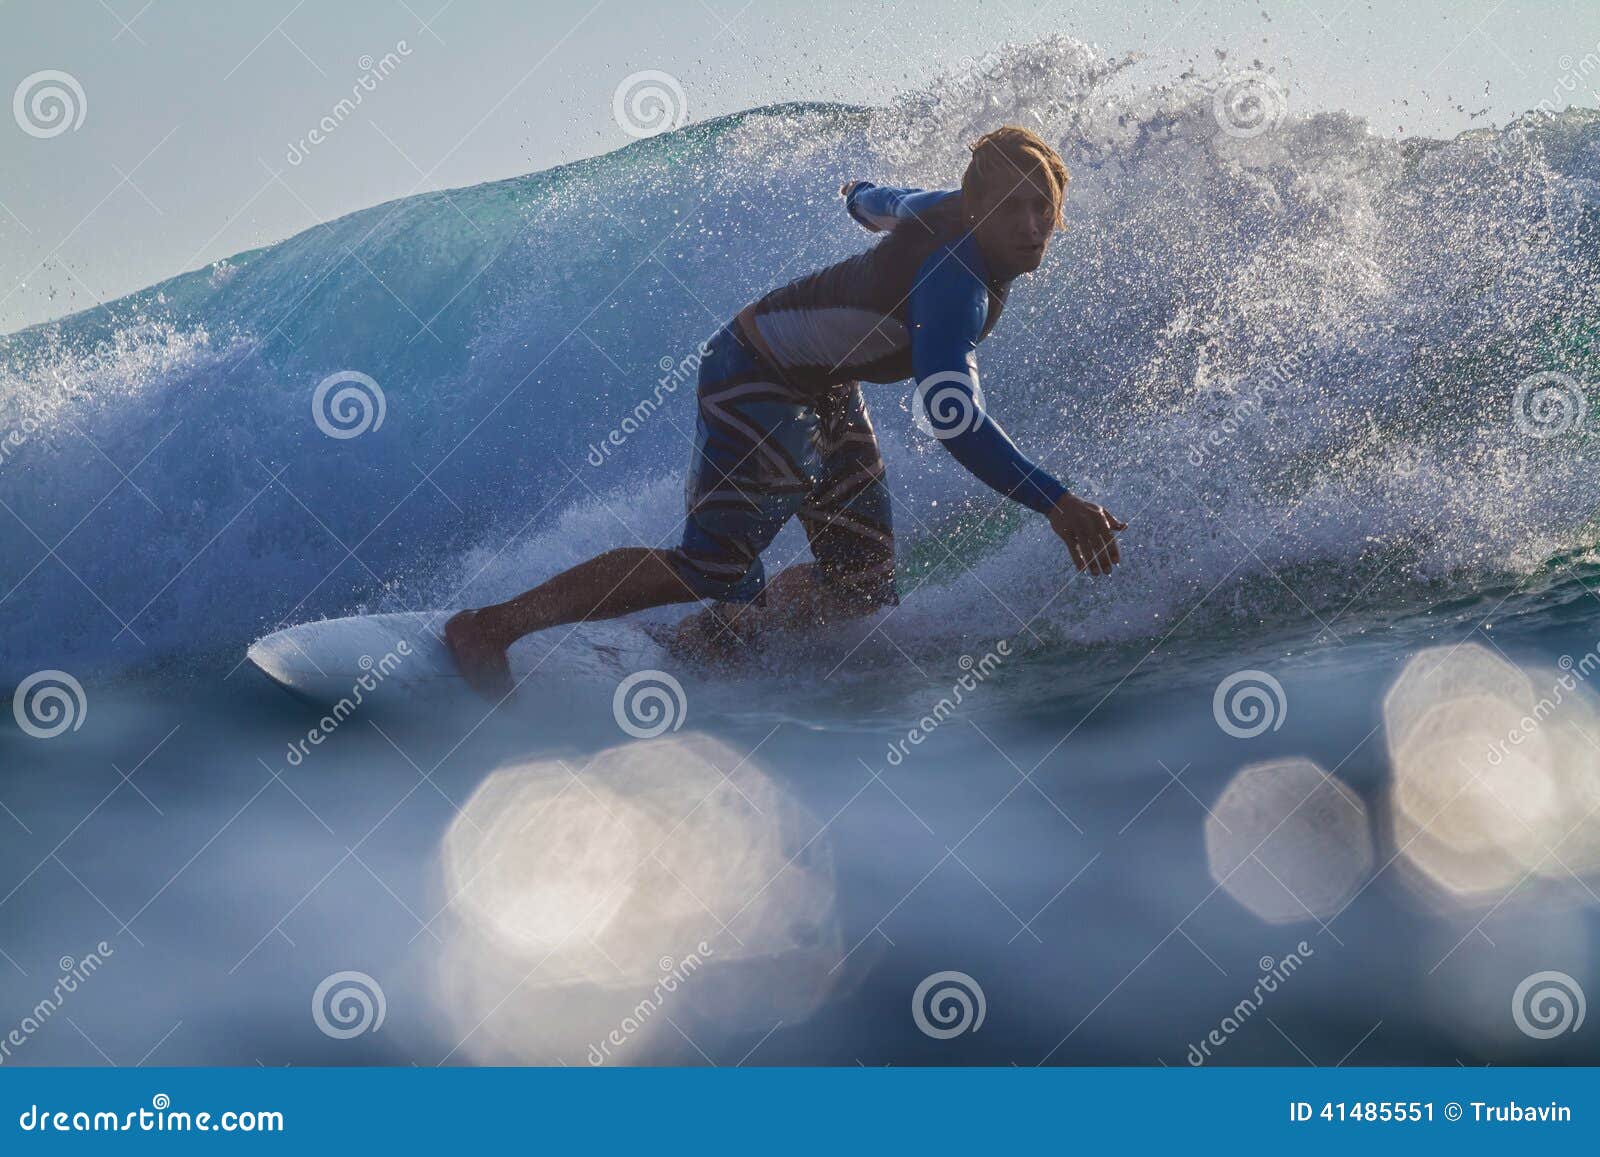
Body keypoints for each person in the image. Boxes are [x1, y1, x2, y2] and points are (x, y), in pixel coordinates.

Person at [445, 124, 1125, 698]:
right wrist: (1055, 502)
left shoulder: (943, 207)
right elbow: (953, 414)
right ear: (977, 208)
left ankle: (701, 640)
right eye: (1013, 208)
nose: (1032, 225)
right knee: (711, 564)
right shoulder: (957, 281)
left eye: (1043, 206)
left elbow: (879, 203)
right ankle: (492, 625)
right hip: (757, 369)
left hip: (825, 384)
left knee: (859, 585)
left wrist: (854, 192)